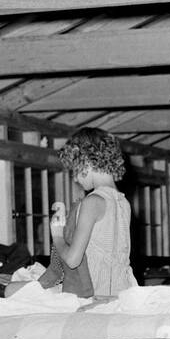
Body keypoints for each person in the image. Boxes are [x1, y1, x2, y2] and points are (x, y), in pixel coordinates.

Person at [41, 126, 138, 296]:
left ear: (86, 161)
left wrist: (57, 236)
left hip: (94, 295)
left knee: (12, 290)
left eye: (74, 170)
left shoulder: (92, 202)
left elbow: (72, 260)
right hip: (123, 292)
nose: (75, 178)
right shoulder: (123, 202)